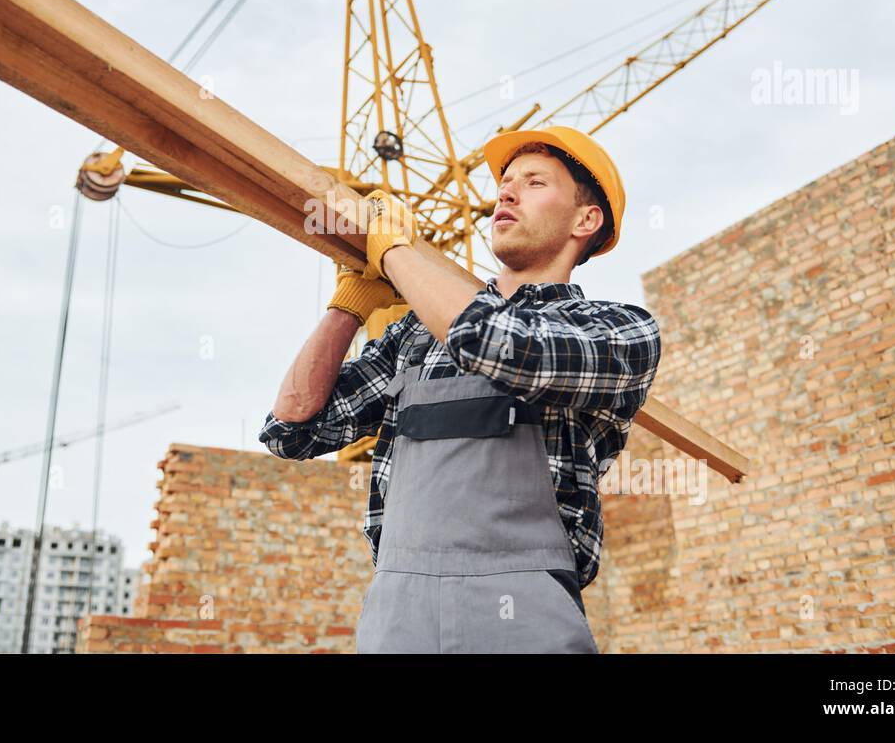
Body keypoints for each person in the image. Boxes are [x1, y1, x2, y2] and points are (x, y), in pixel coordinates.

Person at [260, 126, 662, 653]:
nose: (507, 192)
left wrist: (396, 255)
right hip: (397, 613)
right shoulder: (416, 336)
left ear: (585, 220)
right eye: (506, 182)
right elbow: (293, 428)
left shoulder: (618, 331)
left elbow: (499, 343)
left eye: (535, 182)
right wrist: (351, 302)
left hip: (524, 614)